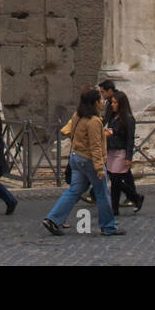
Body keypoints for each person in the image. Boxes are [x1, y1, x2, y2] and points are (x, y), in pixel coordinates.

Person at [43, 89, 124, 236]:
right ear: (95, 102)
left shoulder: (77, 116)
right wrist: (100, 168)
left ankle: (53, 219)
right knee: (102, 193)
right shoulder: (94, 121)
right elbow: (95, 146)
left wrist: (103, 133)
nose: (102, 103)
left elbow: (76, 134)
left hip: (76, 157)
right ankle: (108, 226)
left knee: (74, 190)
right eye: (100, 100)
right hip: (89, 160)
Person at [105, 91, 144, 214]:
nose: (112, 105)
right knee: (114, 180)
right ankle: (133, 198)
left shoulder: (128, 118)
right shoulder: (112, 116)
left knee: (116, 180)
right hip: (111, 150)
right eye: (112, 102)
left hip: (121, 151)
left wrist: (128, 157)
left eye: (115, 102)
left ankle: (122, 204)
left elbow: (129, 139)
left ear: (121, 104)